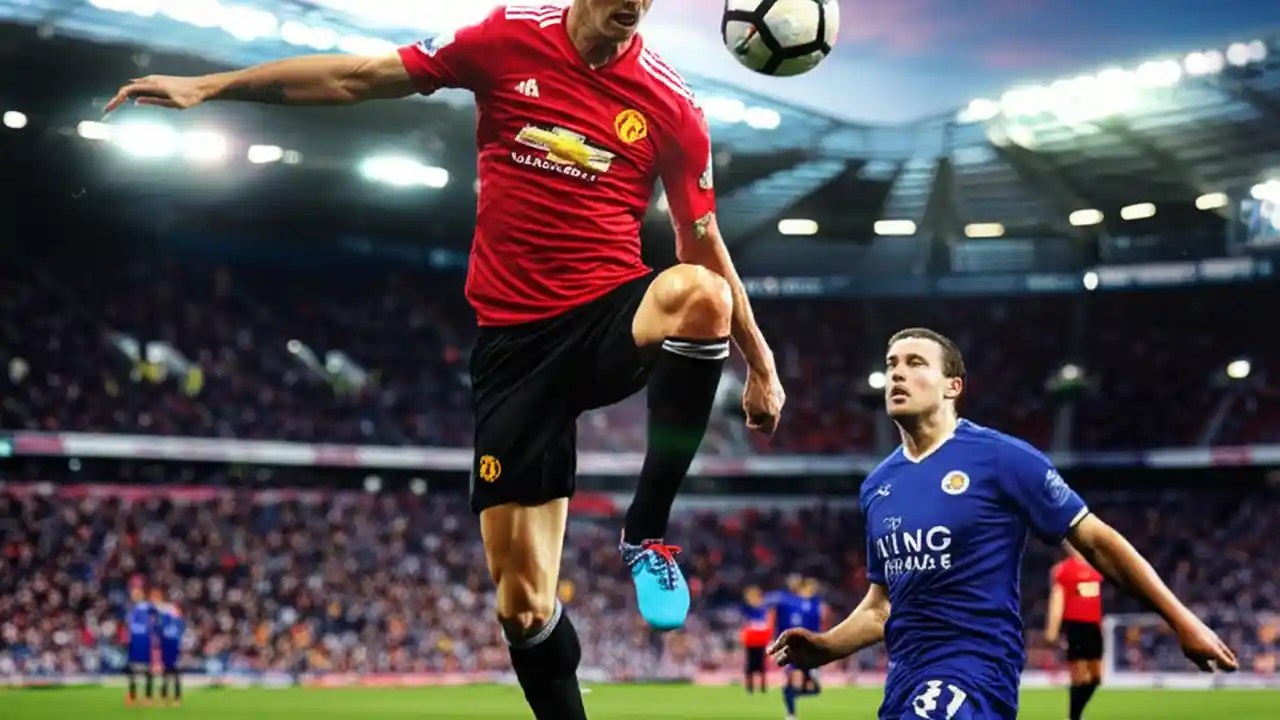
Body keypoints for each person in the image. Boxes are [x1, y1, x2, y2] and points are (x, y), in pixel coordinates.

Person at [106, 2, 785, 717]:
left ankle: (646, 533)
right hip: (515, 349)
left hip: (607, 317)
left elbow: (701, 240)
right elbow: (358, 76)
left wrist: (762, 366)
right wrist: (211, 86)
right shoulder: (505, 38)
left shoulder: (671, 104)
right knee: (524, 607)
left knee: (700, 294)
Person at [768, 328, 1237, 719]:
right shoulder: (878, 487)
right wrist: (826, 648)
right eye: (892, 363)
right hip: (906, 675)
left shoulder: (1001, 458)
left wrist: (1181, 620)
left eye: (915, 363)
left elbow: (1096, 540)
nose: (897, 373)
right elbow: (881, 607)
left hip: (977, 666)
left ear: (953, 386)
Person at [1046, 543, 1105, 720]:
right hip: (1076, 626)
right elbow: (1057, 600)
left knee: (1096, 677)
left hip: (1094, 627)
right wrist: (1052, 629)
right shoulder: (1063, 570)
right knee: (1078, 677)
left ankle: (1075, 715)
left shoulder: (1096, 567)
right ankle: (1074, 716)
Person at [771, 576, 825, 719]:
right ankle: (791, 712)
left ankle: (791, 705)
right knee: (795, 680)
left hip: (802, 647)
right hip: (799, 646)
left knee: (803, 686)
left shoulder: (804, 603)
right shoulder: (798, 603)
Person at [124, 584, 155, 707]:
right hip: (138, 643)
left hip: (141, 644)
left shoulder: (143, 608)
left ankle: (142, 696)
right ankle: (138, 696)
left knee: (141, 671)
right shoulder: (133, 609)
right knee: (137, 671)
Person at [740, 585, 772, 694]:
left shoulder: (763, 608)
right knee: (750, 665)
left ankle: (763, 687)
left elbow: (765, 622)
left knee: (761, 665)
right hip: (751, 640)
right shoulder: (747, 608)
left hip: (761, 640)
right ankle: (750, 687)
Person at [157, 597, 186, 707]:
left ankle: (176, 698)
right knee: (166, 677)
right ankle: (165, 698)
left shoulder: (178, 622)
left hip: (174, 652)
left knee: (175, 677)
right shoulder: (166, 621)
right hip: (168, 652)